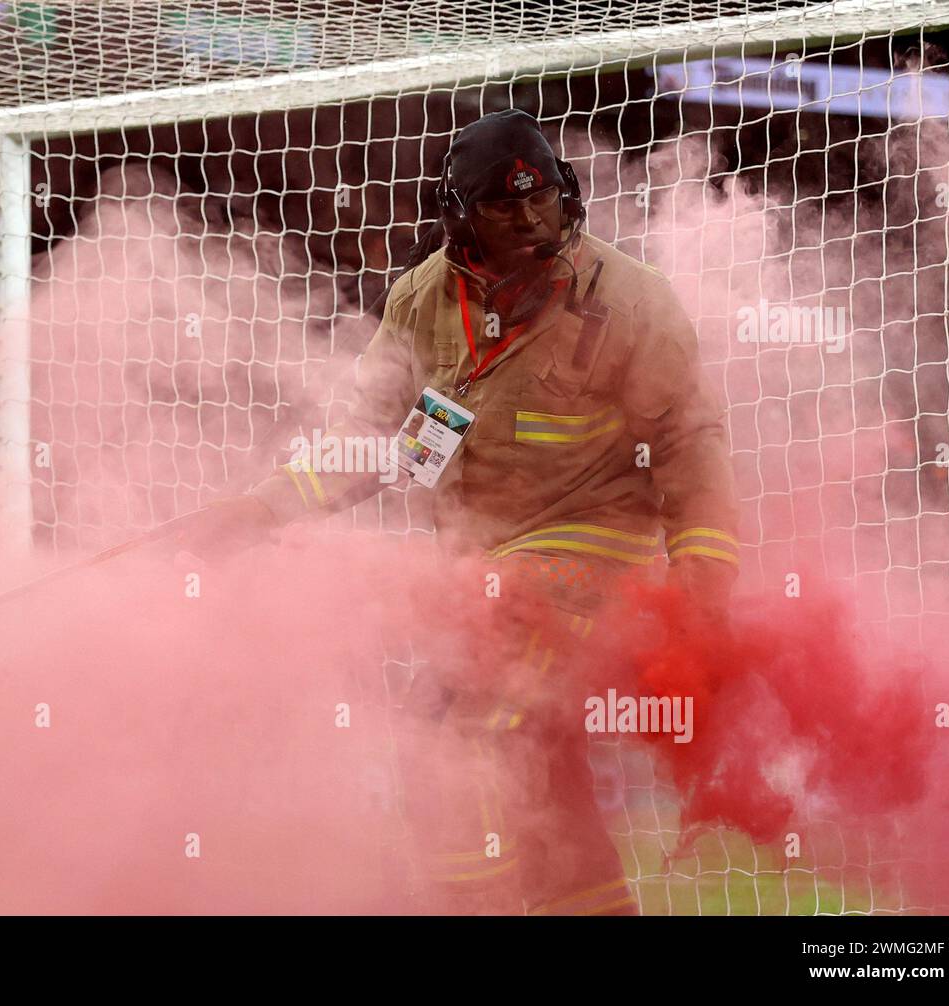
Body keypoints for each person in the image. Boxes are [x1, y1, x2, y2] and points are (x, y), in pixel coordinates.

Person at [155, 109, 740, 914]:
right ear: (460, 216)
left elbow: (692, 443)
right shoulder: (419, 300)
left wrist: (705, 576)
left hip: (594, 565)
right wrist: (259, 509)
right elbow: (364, 438)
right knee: (548, 797)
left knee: (454, 738)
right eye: (504, 204)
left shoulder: (636, 302)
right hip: (483, 574)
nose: (532, 217)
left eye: (543, 196)